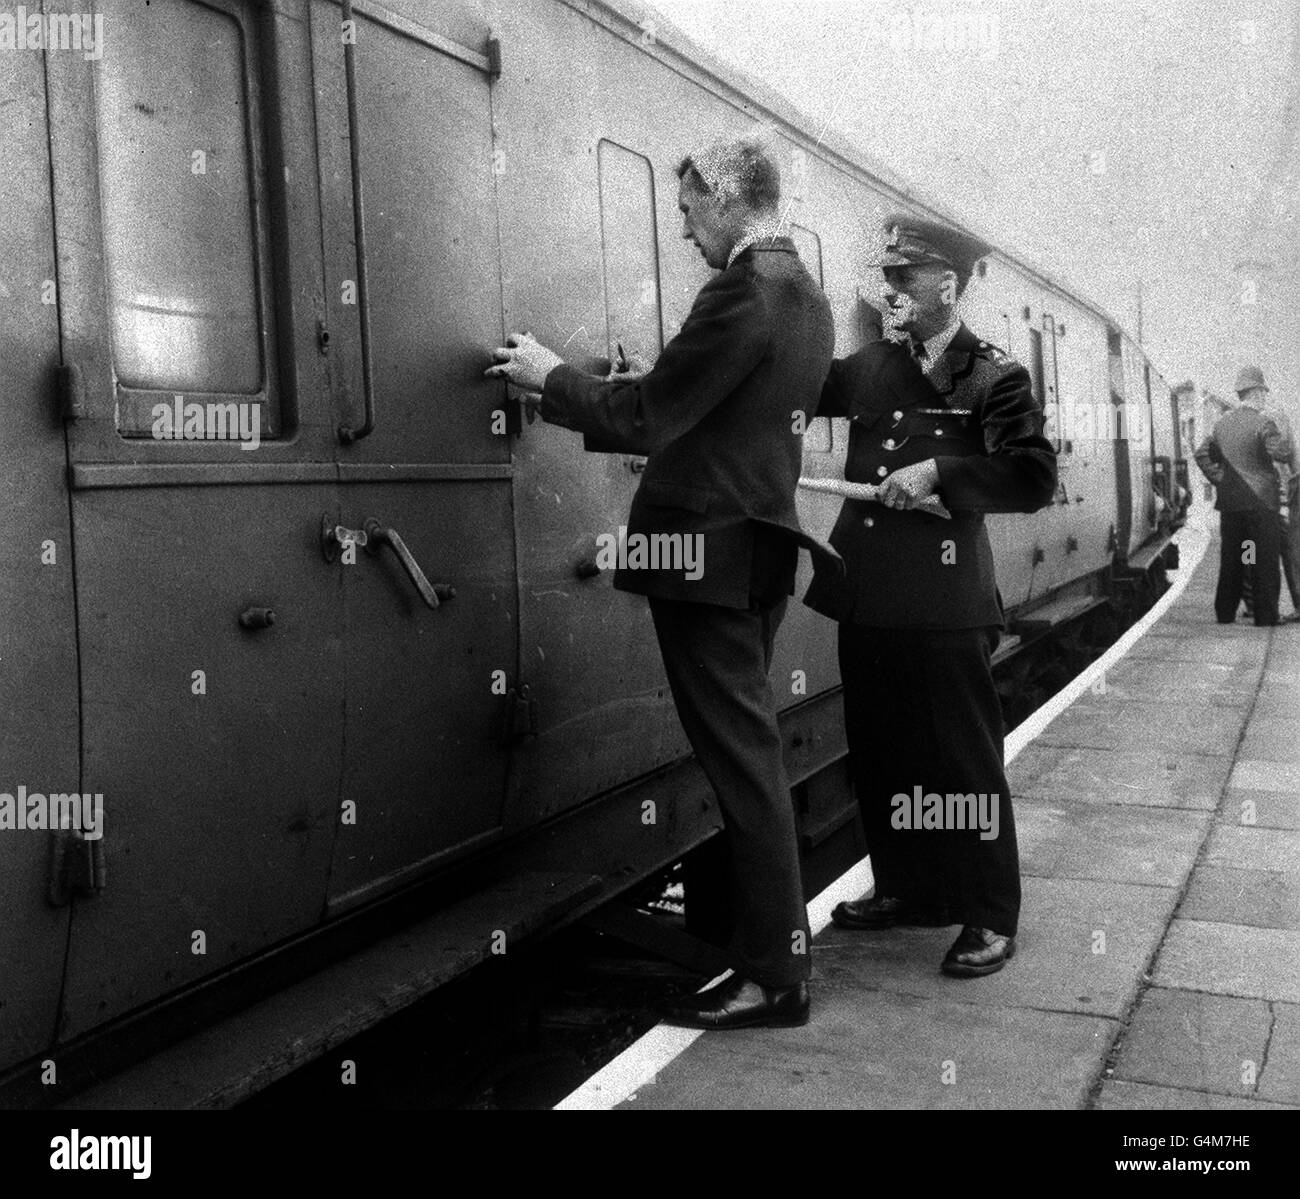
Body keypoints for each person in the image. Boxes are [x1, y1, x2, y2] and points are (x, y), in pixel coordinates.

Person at [485, 136, 837, 1028]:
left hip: (707, 565)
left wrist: (549, 379)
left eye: (687, 211)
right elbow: (724, 408)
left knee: (743, 764)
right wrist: (644, 381)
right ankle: (767, 959)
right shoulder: (806, 297)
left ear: (724, 201)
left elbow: (650, 415)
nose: (683, 232)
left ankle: (776, 975)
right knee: (748, 756)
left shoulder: (738, 293)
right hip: (755, 553)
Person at [804, 214, 1056, 977]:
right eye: (885, 281)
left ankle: (988, 913)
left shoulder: (993, 373)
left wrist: (941, 474)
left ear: (947, 284)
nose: (889, 294)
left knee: (961, 760)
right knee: (883, 753)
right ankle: (909, 890)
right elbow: (787, 394)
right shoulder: (869, 366)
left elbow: (1032, 477)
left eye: (903, 281)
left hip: (947, 602)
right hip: (868, 594)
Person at [1194, 366, 1288, 627]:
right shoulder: (1263, 422)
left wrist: (1220, 478)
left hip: (1232, 505)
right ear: (1257, 392)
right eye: (1263, 392)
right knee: (1263, 561)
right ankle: (1264, 616)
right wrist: (1278, 425)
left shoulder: (1221, 424)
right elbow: (1281, 452)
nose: (1265, 398)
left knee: (1238, 556)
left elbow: (1202, 454)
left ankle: (1225, 613)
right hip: (1261, 505)